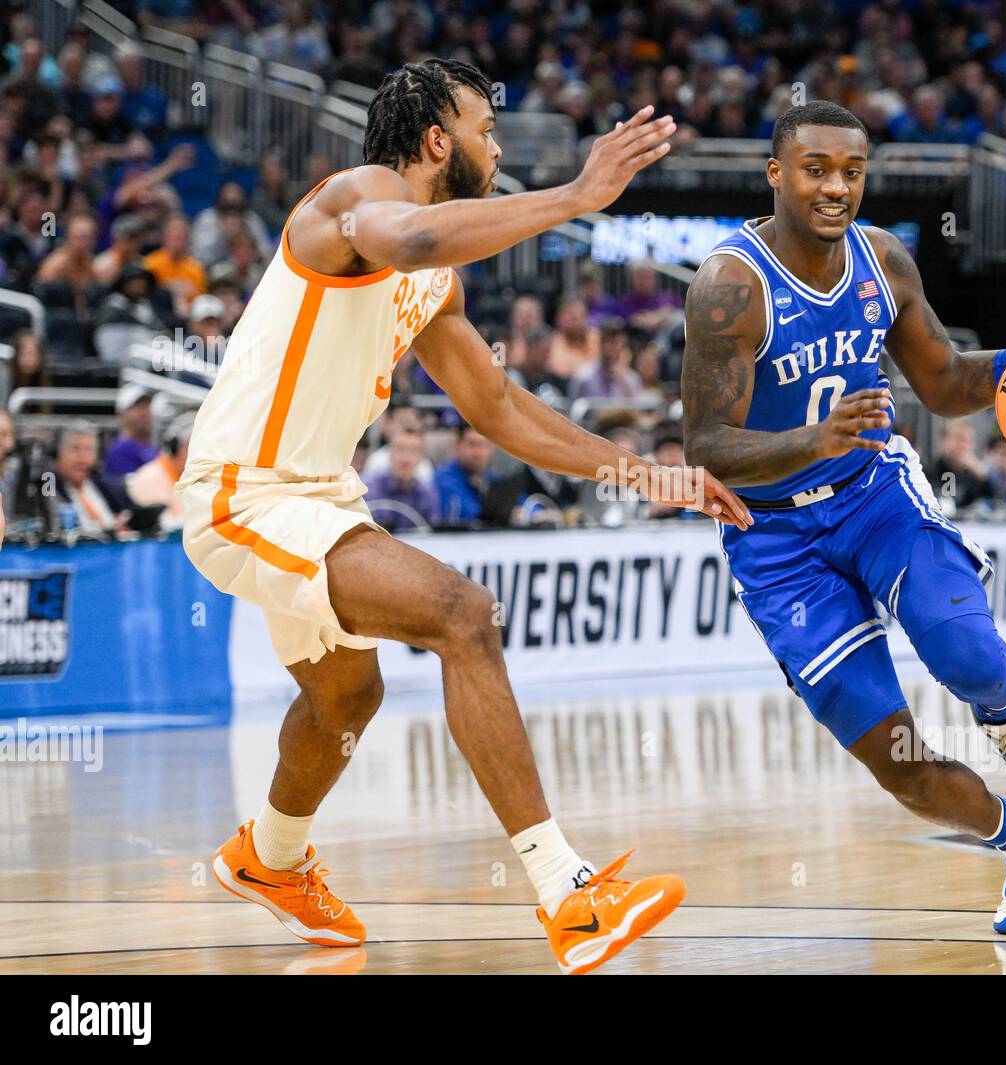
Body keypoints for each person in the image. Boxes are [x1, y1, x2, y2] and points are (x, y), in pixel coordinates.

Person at [177, 57, 748, 973]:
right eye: (485, 128)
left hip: (316, 495)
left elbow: (501, 409)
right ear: (437, 140)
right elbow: (408, 239)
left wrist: (646, 475)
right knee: (464, 613)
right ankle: (569, 893)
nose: (495, 145)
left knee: (346, 698)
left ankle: (270, 861)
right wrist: (575, 195)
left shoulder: (433, 284)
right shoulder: (355, 198)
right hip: (244, 491)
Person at [681, 101, 1006, 937]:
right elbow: (704, 448)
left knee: (963, 648)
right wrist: (814, 438)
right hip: (773, 540)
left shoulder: (883, 260)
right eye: (816, 169)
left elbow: (948, 381)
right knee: (899, 763)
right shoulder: (729, 286)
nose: (836, 187)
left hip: (873, 493)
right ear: (776, 174)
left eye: (852, 171)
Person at [363, 428, 440, 531]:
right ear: (390, 453)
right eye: (400, 449)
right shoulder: (368, 489)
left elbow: (434, 533)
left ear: (421, 457)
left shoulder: (427, 494)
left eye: (413, 451)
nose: (405, 458)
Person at [433, 424, 494, 525]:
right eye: (472, 444)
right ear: (457, 446)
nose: (479, 452)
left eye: (485, 445)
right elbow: (470, 516)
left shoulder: (492, 479)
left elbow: (524, 504)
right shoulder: (441, 481)